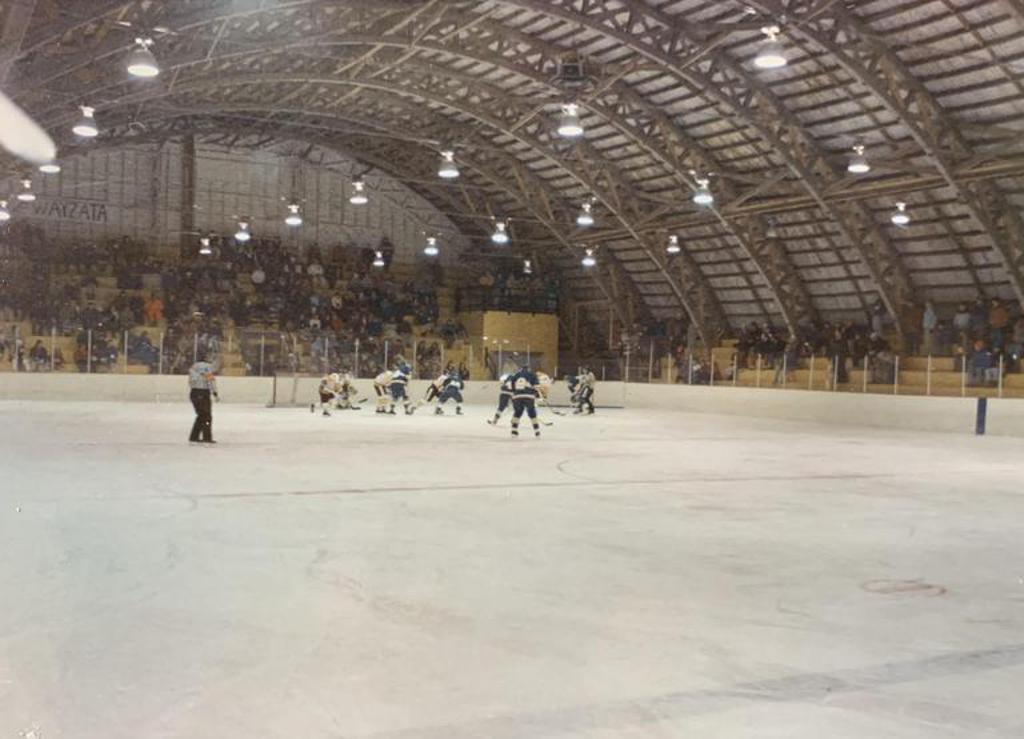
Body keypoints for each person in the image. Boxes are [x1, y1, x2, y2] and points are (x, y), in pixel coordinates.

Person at [188, 355, 219, 443]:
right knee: (207, 416)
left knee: (201, 415)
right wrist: (215, 392)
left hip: (194, 392)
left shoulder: (193, 367)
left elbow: (191, 381)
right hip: (203, 392)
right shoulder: (207, 367)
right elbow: (211, 380)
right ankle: (207, 437)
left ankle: (194, 436)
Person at [508, 365, 541, 438]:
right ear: (529, 369)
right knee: (532, 413)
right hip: (528, 396)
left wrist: (514, 393)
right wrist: (536, 394)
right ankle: (537, 431)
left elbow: (511, 385)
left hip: (517, 396)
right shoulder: (532, 374)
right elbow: (536, 386)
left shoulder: (516, 374)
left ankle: (514, 430)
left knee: (517, 412)